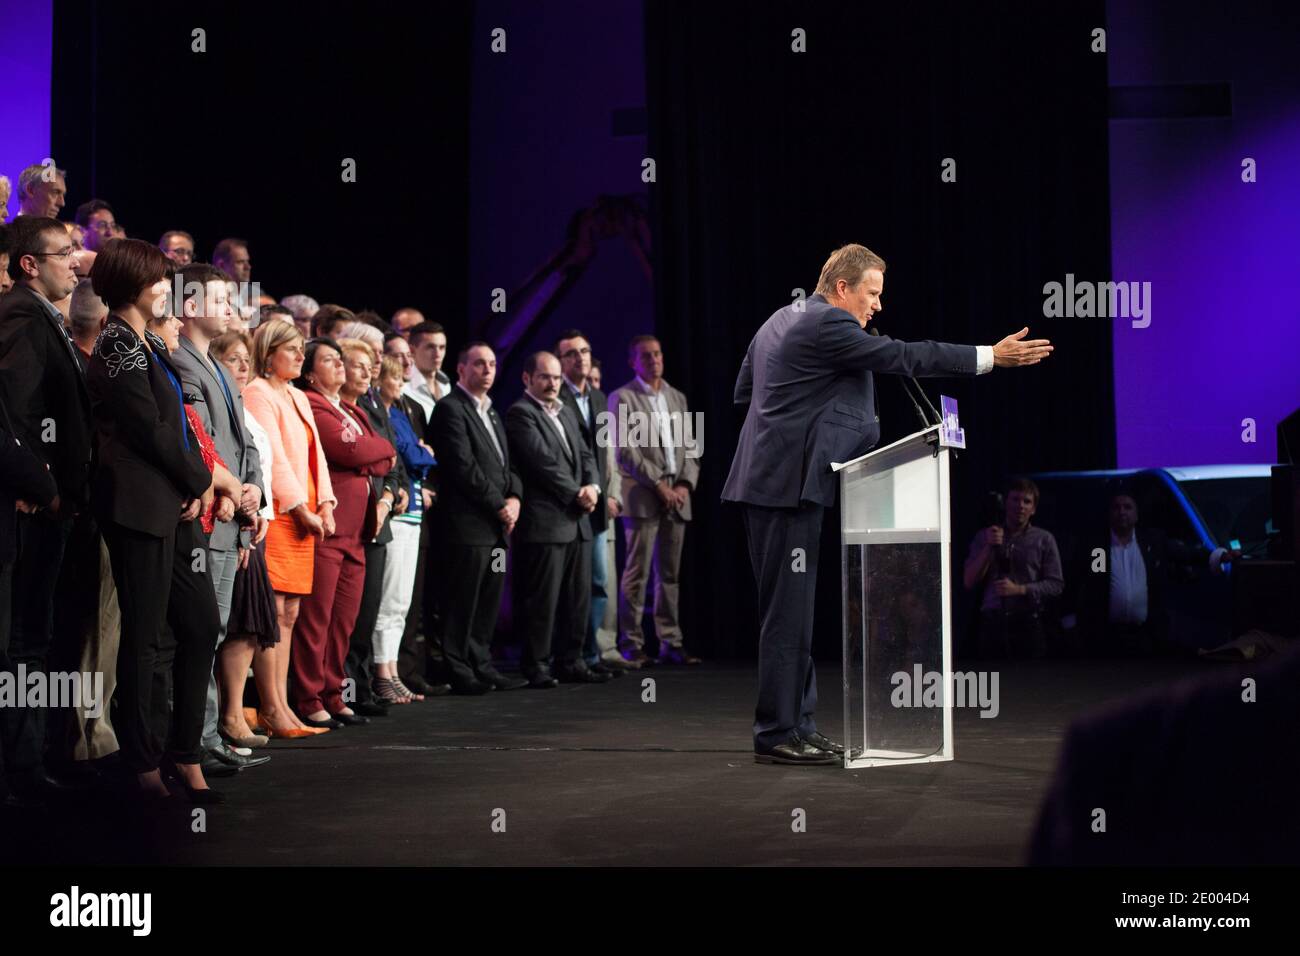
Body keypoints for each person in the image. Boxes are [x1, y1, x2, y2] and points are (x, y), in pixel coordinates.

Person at [722, 243, 1053, 766]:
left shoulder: (779, 320)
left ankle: (799, 725)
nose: (877, 306)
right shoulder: (827, 324)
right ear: (841, 289)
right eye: (872, 294)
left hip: (774, 483)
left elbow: (747, 391)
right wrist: (990, 356)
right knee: (787, 615)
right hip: (784, 488)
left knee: (796, 613)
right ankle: (777, 732)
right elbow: (904, 355)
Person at [84, 238, 226, 802]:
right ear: (135, 284)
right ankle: (141, 761)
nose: (169, 287)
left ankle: (184, 751)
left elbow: (180, 426)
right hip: (138, 507)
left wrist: (192, 485)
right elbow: (148, 429)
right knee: (143, 638)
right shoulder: (119, 344)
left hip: (172, 503)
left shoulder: (150, 343)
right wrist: (197, 480)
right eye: (161, 279)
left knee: (198, 624)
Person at [0, 216, 93, 801]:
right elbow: (12, 415)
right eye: (66, 252)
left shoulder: (45, 319)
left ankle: (29, 763)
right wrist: (41, 485)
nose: (77, 261)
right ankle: (17, 769)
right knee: (21, 642)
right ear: (29, 263)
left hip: (50, 506)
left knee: (35, 638)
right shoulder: (18, 315)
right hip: (30, 510)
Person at [170, 263, 271, 770]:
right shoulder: (182, 362)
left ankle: (207, 736)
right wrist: (230, 490)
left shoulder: (216, 364)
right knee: (198, 633)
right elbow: (202, 439)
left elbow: (245, 440)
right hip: (208, 518)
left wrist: (251, 487)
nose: (231, 309)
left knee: (217, 629)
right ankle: (196, 741)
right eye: (221, 300)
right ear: (190, 308)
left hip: (232, 517)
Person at [293, 337, 394, 727]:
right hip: (327, 533)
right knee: (316, 620)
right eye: (330, 360)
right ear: (311, 372)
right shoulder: (313, 404)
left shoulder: (350, 408)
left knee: (344, 623)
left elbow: (386, 460)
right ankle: (308, 697)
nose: (339, 366)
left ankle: (335, 695)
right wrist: (377, 449)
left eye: (340, 360)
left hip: (358, 533)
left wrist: (374, 450)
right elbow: (347, 452)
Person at [242, 319, 336, 738]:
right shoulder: (258, 392)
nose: (301, 356)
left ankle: (282, 706)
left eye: (301, 350)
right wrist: (300, 507)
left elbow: (318, 457)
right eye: (292, 349)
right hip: (282, 515)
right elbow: (273, 457)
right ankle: (271, 707)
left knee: (292, 611)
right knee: (274, 611)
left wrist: (327, 502)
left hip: (307, 515)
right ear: (268, 353)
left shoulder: (297, 394)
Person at [210, 330, 292, 742]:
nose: (244, 367)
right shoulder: (221, 401)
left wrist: (257, 504)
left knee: (247, 626)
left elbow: (255, 462)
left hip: (253, 525)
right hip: (230, 526)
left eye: (247, 359)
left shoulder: (243, 406)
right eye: (233, 359)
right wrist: (243, 516)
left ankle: (235, 715)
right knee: (234, 623)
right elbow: (219, 458)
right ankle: (228, 719)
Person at [507, 352, 606, 687]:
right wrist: (577, 492)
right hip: (546, 522)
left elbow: (585, 453)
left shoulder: (564, 412)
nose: (552, 384)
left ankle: (572, 660)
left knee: (578, 598)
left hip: (577, 521)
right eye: (545, 377)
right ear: (527, 379)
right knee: (543, 601)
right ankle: (536, 664)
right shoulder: (521, 413)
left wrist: (592, 486)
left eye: (556, 378)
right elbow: (542, 463)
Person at [430, 343, 522, 693]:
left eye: (493, 364)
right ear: (461, 369)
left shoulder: (492, 412)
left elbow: (507, 464)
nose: (487, 370)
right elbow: (462, 466)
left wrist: (515, 497)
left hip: (498, 530)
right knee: (461, 601)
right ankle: (458, 667)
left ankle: (481, 663)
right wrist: (500, 504)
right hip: (468, 528)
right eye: (479, 364)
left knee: (488, 600)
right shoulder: (450, 409)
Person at [607, 335, 702, 666]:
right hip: (644, 497)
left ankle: (670, 642)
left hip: (677, 498)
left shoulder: (677, 397)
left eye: (658, 354)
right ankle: (631, 643)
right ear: (633, 362)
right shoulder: (622, 398)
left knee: (670, 576)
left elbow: (692, 446)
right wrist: (659, 484)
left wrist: (685, 485)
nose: (654, 360)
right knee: (638, 574)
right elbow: (625, 451)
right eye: (645, 356)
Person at [1075, 487, 1236, 657]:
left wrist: (1220, 556)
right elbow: (1088, 580)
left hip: (1146, 636)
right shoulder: (1097, 548)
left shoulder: (1153, 541)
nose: (1122, 512)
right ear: (1109, 513)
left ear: (1136, 514)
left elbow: (1187, 554)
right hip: (1106, 638)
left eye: (1127, 507)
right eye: (1116, 507)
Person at [370, 354, 442, 701]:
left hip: (414, 513)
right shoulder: (382, 415)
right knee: (388, 597)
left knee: (401, 601)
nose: (399, 385)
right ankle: (381, 672)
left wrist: (422, 453)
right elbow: (414, 458)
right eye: (393, 378)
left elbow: (425, 457)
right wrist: (421, 453)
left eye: (401, 379)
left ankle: (393, 670)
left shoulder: (398, 414)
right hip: (398, 514)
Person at [556, 330, 625, 676]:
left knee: (599, 581)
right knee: (573, 586)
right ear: (561, 360)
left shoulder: (599, 398)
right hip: (567, 505)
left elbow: (605, 454)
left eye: (584, 351)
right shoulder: (557, 396)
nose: (580, 358)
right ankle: (569, 656)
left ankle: (591, 653)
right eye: (571, 354)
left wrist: (608, 492)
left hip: (596, 504)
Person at [962, 478, 1064, 659]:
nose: (1021, 506)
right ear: (1005, 503)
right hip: (992, 622)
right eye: (1015, 499)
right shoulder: (986, 535)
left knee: (1031, 684)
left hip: (1029, 623)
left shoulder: (1044, 539)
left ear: (1033, 509)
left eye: (1027, 501)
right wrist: (989, 547)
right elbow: (969, 581)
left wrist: (1020, 589)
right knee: (994, 683)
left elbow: (1056, 584)